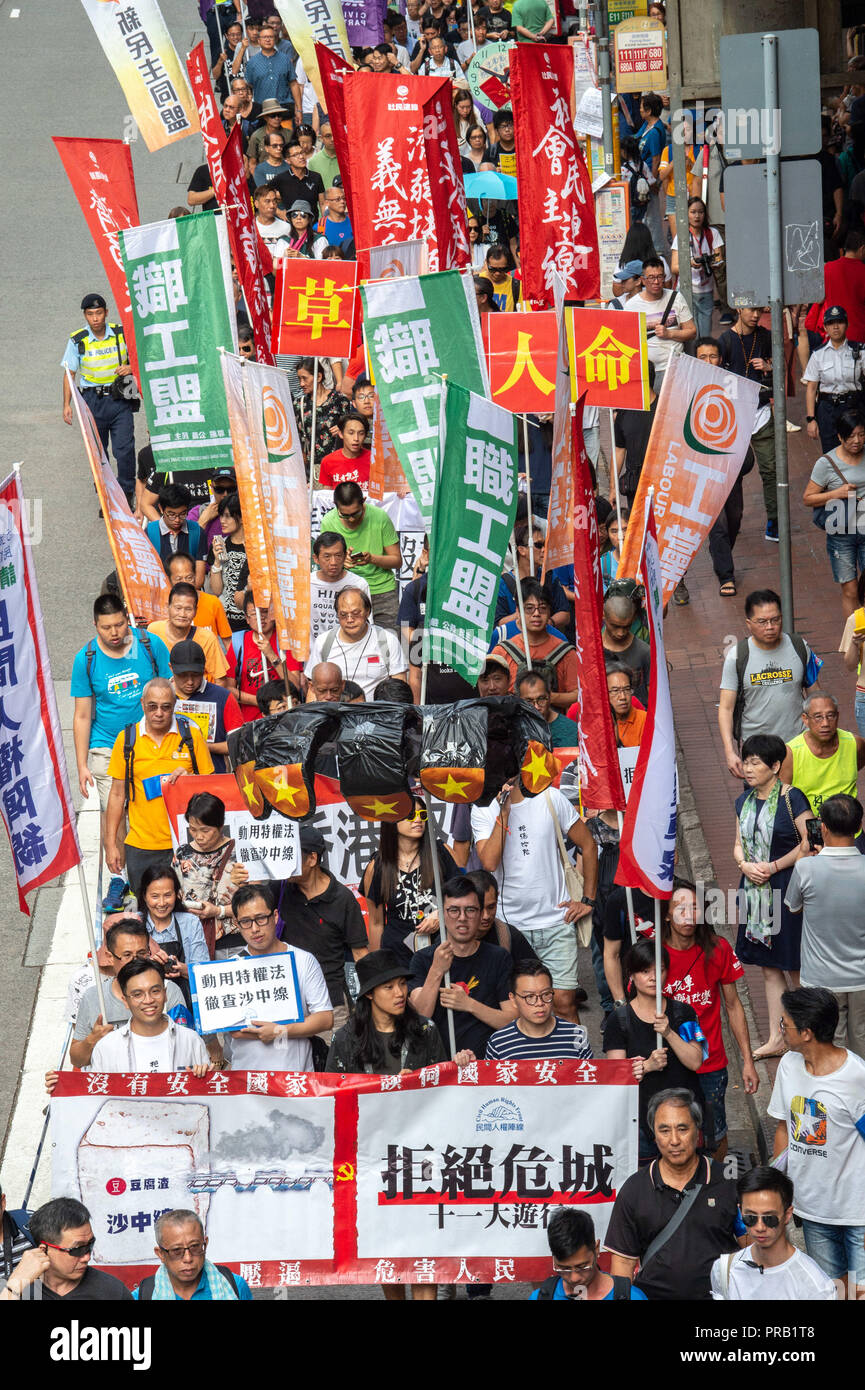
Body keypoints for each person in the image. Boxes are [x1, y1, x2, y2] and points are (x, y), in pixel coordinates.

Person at [326, 950, 466, 1303]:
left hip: (422, 1154)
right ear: (370, 994)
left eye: (403, 984)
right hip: (372, 1157)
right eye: (389, 987)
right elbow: (333, 1099)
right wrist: (381, 1090)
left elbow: (443, 1095)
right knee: (386, 1249)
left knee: (421, 1244)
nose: (400, 993)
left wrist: (418, 1084)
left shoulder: (425, 1030)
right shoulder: (346, 1040)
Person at [473, 768, 598, 1023]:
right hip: (511, 927)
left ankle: (575, 1051)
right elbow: (489, 862)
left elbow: (588, 844)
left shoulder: (550, 797)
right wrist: (503, 814)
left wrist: (587, 899)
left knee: (564, 1003)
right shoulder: (482, 808)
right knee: (521, 1009)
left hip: (556, 921)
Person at [769, 986, 865, 1298]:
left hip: (858, 1214)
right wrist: (778, 1188)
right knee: (831, 1291)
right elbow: (783, 1128)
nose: (780, 1030)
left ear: (806, 1033)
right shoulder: (788, 1065)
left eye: (784, 1024)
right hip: (812, 1211)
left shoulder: (856, 1077)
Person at [604, 1088, 743, 1301]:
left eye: (682, 1129)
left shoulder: (728, 1181)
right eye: (664, 1130)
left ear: (697, 1130)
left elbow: (751, 1244)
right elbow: (623, 1263)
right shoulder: (634, 1190)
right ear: (654, 1135)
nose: (674, 1140)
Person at [662, 883, 758, 1159]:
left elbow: (734, 1006)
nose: (688, 916)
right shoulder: (653, 954)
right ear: (667, 914)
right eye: (680, 908)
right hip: (666, 1063)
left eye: (694, 908)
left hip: (710, 1062)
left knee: (715, 1134)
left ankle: (715, 1182)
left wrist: (748, 1061)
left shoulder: (718, 949)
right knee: (670, 1132)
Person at [733, 732, 811, 1060]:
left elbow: (811, 842)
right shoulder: (743, 802)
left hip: (787, 888)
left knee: (795, 966)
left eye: (755, 763)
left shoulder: (794, 798)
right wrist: (744, 864)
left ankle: (812, 1033)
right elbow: (738, 844)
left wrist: (774, 865)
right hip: (754, 890)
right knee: (769, 967)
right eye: (746, 762)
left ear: (775, 766)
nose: (748, 769)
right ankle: (777, 1037)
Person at [103, 677, 214, 892]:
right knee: (148, 905)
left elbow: (211, 790)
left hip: (188, 843)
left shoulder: (191, 736)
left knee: (190, 904)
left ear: (175, 705)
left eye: (166, 707)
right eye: (152, 706)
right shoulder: (127, 740)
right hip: (141, 846)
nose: (159, 713)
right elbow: (116, 795)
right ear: (142, 704)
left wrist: (189, 780)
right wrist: (110, 844)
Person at [604, 939, 707, 1161]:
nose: (653, 977)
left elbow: (696, 1061)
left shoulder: (683, 1012)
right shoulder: (619, 1020)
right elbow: (615, 1077)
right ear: (631, 975)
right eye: (644, 971)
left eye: (659, 970)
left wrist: (669, 1033)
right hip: (642, 1120)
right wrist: (647, 1066)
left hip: (684, 1115)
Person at [784, 793, 865, 1058]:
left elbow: (793, 906)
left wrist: (804, 857)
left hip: (821, 978)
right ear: (859, 826)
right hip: (862, 977)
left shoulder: (806, 869)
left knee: (830, 1049)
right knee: (862, 1042)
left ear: (823, 828)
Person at [71, 595, 171, 809]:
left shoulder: (149, 644)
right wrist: (82, 765)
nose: (114, 633)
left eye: (119, 624)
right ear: (95, 625)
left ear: (127, 618)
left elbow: (171, 691)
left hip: (150, 741)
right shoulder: (86, 659)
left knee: (150, 809)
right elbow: (82, 716)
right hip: (107, 744)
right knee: (112, 812)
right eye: (106, 627)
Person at [221, 884, 332, 1070]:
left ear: (275, 916)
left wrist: (279, 1031)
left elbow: (325, 1018)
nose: (254, 929)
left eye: (261, 919)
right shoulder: (229, 969)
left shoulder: (303, 960)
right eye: (246, 922)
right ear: (237, 925)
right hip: (247, 1077)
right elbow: (234, 1031)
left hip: (295, 1076)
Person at [408, 875, 515, 1057]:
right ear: (442, 914)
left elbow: (512, 1022)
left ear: (480, 914)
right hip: (440, 1064)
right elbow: (419, 1019)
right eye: (454, 910)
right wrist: (437, 970)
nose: (462, 918)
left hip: (487, 1062)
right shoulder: (423, 959)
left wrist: (469, 1004)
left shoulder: (498, 958)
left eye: (470, 910)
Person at [718, 589, 819, 778]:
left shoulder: (799, 647)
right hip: (757, 752)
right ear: (749, 624)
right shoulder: (737, 656)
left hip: (799, 745)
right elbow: (726, 708)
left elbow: (815, 695)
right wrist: (729, 751)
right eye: (762, 622)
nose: (770, 627)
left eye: (775, 620)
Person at [278, 826, 368, 1033]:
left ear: (312, 859)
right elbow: (252, 909)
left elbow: (360, 954)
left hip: (330, 1002)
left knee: (333, 1054)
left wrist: (370, 1000)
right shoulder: (280, 888)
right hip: (288, 1000)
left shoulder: (343, 899)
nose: (284, 861)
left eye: (290, 854)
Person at [70, 919, 191, 1069]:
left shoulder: (169, 991)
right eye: (127, 955)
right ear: (109, 957)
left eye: (141, 954)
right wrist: (92, 1040)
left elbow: (186, 1048)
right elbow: (76, 1060)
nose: (135, 962)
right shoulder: (93, 997)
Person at [711, 1167, 837, 1300]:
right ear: (740, 1211)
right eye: (751, 1218)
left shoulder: (815, 1287)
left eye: (769, 1218)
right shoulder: (725, 1271)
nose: (760, 1227)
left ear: (787, 1214)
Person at [362, 797, 459, 966]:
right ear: (392, 820)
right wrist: (379, 969)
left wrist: (442, 914)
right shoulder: (377, 866)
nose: (418, 819)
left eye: (422, 814)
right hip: (397, 956)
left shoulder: (440, 852)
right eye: (411, 815)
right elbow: (376, 923)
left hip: (441, 950)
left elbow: (463, 896)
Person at [61, 293, 136, 507]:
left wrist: (131, 367)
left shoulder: (121, 334)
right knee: (99, 454)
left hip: (120, 399)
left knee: (124, 450)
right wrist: (66, 405)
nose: (95, 318)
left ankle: (126, 494)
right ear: (85, 315)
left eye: (99, 313)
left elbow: (141, 357)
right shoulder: (78, 340)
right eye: (90, 314)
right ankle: (107, 498)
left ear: (106, 313)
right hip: (92, 402)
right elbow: (69, 374)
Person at [696, 335, 751, 595]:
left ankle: (720, 552)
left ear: (721, 359)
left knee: (734, 517)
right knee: (716, 523)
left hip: (730, 463)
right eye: (702, 357)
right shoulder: (687, 385)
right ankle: (726, 575)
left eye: (713, 356)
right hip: (703, 467)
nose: (708, 361)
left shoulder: (732, 386)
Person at [87, 959, 211, 1073]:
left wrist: (204, 1078)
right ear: (125, 1001)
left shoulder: (191, 1040)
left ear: (165, 994)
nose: (148, 1000)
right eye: (138, 994)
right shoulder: (106, 1047)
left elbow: (207, 1086)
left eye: (155, 991)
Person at [719, 307, 778, 539]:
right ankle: (733, 519)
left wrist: (769, 367)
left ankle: (774, 519)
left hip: (761, 412)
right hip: (733, 417)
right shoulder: (725, 341)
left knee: (770, 469)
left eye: (759, 310)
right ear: (739, 308)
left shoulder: (765, 336)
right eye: (751, 310)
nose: (755, 315)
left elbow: (781, 367)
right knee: (733, 472)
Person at [0, 1199, 132, 1302]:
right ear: (44, 1250)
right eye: (76, 1250)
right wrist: (14, 1287)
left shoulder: (111, 1291)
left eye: (90, 1245)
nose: (87, 1257)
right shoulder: (14, 1288)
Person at [803, 409, 865, 615]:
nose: (857, 441)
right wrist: (836, 493)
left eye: (861, 435)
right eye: (851, 436)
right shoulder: (826, 464)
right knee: (850, 590)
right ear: (839, 437)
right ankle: (853, 633)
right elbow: (808, 498)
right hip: (841, 533)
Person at [319, 482, 401, 632]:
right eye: (345, 515)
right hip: (346, 592)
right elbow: (325, 564)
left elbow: (396, 561)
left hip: (381, 591)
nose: (351, 519)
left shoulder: (379, 517)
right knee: (347, 642)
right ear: (335, 505)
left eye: (355, 513)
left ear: (363, 501)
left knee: (388, 641)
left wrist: (372, 559)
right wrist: (341, 562)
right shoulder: (329, 522)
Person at [171, 791, 241, 957]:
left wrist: (218, 911)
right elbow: (173, 895)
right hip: (192, 942)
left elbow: (256, 901)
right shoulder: (182, 853)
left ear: (220, 825)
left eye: (205, 830)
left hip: (232, 943)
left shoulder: (239, 853)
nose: (199, 836)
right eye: (193, 830)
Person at [305, 586, 406, 701]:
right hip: (335, 710)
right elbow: (313, 690)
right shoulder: (323, 642)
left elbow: (399, 687)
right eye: (343, 615)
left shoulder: (387, 640)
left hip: (377, 710)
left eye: (356, 613)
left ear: (367, 612)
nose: (350, 620)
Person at [492, 579, 579, 711]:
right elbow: (492, 692)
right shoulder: (502, 652)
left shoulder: (565, 652)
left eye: (542, 608)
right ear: (518, 611)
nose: (536, 614)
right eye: (529, 608)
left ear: (550, 611)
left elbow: (578, 695)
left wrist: (548, 697)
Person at [530, 1208, 647, 1301]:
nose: (574, 1278)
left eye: (582, 1267)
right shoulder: (541, 1297)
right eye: (564, 1269)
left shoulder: (633, 1297)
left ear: (596, 1249)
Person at [136, 863, 210, 1010]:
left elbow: (204, 973)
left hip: (185, 1004)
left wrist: (182, 969)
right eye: (155, 896)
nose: (162, 903)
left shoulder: (190, 922)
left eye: (168, 895)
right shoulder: (134, 923)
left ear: (177, 894)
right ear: (144, 896)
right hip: (144, 1005)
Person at [486, 960, 594, 1060]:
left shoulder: (576, 1036)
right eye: (530, 996)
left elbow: (588, 1073)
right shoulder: (498, 1043)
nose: (540, 1003)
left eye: (546, 994)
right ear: (513, 999)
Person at [135, 1210, 252, 1301]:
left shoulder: (235, 1286)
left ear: (205, 1244)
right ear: (161, 1254)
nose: (188, 1258)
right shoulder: (144, 1295)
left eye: (195, 1246)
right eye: (177, 1250)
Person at [780, 692, 865, 812]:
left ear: (837, 716)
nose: (825, 723)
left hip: (849, 821)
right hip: (808, 822)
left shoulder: (855, 744)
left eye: (830, 716)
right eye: (818, 717)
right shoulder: (791, 753)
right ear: (805, 719)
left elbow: (858, 764)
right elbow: (783, 797)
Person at [169, 639, 242, 776]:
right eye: (183, 675)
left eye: (196, 675)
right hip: (168, 779)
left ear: (204, 669)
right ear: (171, 668)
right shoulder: (159, 697)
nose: (190, 682)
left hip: (212, 779)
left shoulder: (223, 697)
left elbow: (239, 745)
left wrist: (202, 747)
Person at [227, 591, 302, 719]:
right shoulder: (238, 642)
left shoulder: (285, 641)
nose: (261, 617)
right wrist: (261, 702)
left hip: (282, 717)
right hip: (250, 719)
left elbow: (294, 686)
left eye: (265, 612)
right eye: (254, 613)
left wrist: (272, 655)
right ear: (247, 618)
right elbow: (228, 688)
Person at [624, 257, 695, 390]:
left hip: (675, 367)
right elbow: (626, 341)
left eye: (659, 277)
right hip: (646, 371)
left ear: (664, 277)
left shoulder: (676, 298)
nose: (656, 282)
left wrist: (669, 334)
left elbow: (691, 331)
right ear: (643, 280)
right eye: (651, 277)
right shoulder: (631, 306)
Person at [802, 305, 865, 451]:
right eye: (830, 323)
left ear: (847, 325)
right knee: (830, 453)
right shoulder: (818, 355)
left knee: (857, 450)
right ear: (825, 327)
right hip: (828, 410)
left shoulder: (859, 350)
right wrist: (811, 419)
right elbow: (811, 389)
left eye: (840, 322)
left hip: (853, 407)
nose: (835, 327)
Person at [148, 583, 228, 687]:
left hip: (198, 694)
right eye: (178, 608)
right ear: (168, 607)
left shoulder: (207, 638)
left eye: (188, 609)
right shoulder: (153, 630)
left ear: (195, 611)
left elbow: (221, 680)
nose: (182, 614)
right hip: (164, 693)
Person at [670, 197, 724, 339]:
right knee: (691, 336)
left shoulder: (712, 233)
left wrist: (713, 263)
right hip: (686, 291)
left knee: (705, 336)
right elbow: (674, 268)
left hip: (706, 291)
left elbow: (719, 259)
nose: (697, 216)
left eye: (700, 212)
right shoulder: (682, 237)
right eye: (693, 212)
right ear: (686, 214)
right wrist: (689, 263)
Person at [612, 361, 658, 510]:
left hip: (661, 483)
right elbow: (619, 450)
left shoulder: (664, 408)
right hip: (634, 485)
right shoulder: (624, 412)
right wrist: (613, 488)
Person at [144, 482, 207, 583]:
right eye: (171, 514)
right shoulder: (150, 533)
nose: (177, 520)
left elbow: (199, 580)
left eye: (182, 514)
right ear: (161, 509)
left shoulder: (197, 532)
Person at [295, 359, 345, 481]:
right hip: (313, 469)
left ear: (318, 377)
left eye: (304, 378)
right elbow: (297, 437)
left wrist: (343, 429)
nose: (301, 384)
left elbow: (352, 427)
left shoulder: (339, 401)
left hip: (338, 465)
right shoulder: (299, 404)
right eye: (299, 379)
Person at [602, 592, 651, 706]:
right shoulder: (593, 650)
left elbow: (653, 692)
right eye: (615, 626)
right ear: (604, 616)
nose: (621, 633)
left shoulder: (644, 651)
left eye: (626, 626)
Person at [515, 669, 580, 748]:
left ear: (550, 697)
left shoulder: (571, 731)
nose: (536, 707)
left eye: (541, 699)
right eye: (529, 701)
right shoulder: (512, 729)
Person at [244, 21, 301, 112]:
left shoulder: (285, 59)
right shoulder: (252, 62)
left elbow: (293, 84)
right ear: (259, 40)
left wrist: (299, 109)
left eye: (270, 37)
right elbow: (248, 87)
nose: (268, 40)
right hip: (262, 109)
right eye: (264, 37)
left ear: (275, 39)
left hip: (284, 107)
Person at [273, 139, 326, 218]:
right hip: (290, 223)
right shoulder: (281, 178)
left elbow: (322, 204)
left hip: (312, 223)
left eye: (302, 152)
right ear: (288, 160)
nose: (301, 157)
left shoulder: (316, 177)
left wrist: (324, 221)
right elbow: (263, 195)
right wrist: (278, 212)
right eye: (295, 155)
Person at [319, 414, 371, 490]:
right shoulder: (328, 461)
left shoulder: (375, 460)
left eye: (361, 433)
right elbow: (327, 495)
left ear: (365, 436)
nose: (356, 438)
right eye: (351, 433)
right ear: (341, 434)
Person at [606, 663, 646, 747]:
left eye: (627, 689)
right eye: (615, 691)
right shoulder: (597, 723)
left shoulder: (645, 720)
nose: (623, 697)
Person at [308, 123, 340, 189]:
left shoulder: (348, 158)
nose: (332, 139)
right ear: (321, 138)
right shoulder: (313, 162)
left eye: (335, 134)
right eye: (328, 136)